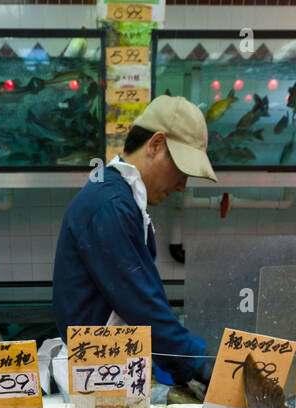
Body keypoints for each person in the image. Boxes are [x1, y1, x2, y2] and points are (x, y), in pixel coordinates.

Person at [52, 95, 216, 386]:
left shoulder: (116, 194)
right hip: (97, 375)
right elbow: (140, 303)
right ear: (155, 144)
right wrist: (196, 363)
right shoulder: (110, 205)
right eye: (180, 169)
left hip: (109, 364)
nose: (182, 185)